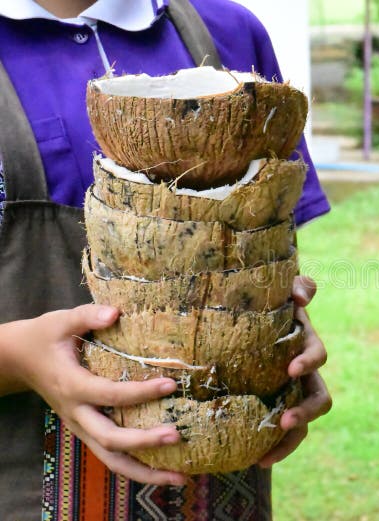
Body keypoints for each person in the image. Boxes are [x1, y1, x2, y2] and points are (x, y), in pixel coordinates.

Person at [0, 0, 332, 519]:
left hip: (224, 493)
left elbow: (266, 239)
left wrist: (278, 331)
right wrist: (16, 355)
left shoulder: (228, 32)